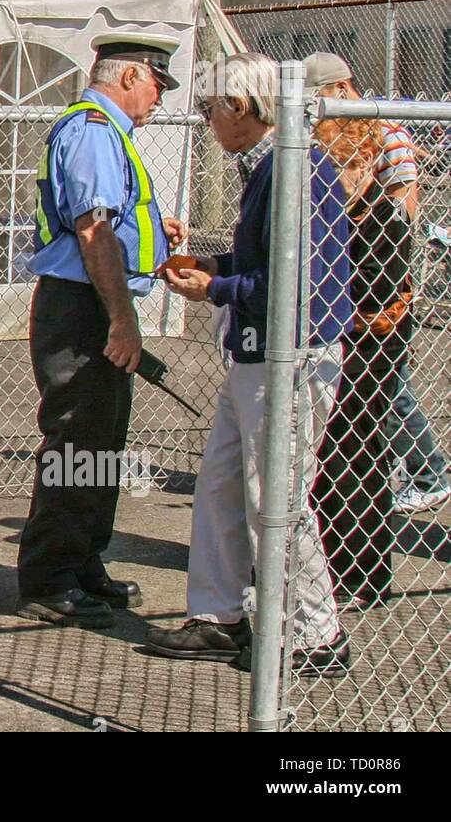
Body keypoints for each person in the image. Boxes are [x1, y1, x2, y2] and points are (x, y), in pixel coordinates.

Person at [145, 53, 354, 676]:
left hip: (289, 356)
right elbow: (266, 261)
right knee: (224, 484)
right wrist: (217, 270)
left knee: (275, 497)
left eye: (210, 109)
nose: (207, 121)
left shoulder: (295, 168)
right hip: (262, 354)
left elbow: (296, 281)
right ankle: (219, 615)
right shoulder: (273, 165)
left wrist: (215, 288)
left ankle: (317, 632)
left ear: (241, 105)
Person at [17, 33, 189, 629]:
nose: (160, 99)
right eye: (157, 85)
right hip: (83, 309)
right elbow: (93, 234)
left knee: (101, 446)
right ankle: (50, 579)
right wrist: (122, 320)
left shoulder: (105, 130)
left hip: (90, 304)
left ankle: (83, 562)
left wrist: (155, 231)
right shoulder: (93, 129)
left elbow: (107, 219)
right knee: (77, 445)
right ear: (131, 76)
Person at [304, 52, 449, 515]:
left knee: (386, 381)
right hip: (359, 266)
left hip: (380, 268)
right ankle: (406, 469)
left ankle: (429, 472)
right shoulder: (345, 128)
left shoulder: (382, 130)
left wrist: (385, 262)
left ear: (341, 89)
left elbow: (404, 201)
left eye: (319, 96)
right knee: (371, 380)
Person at [313, 118, 415, 611]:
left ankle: (363, 573)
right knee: (332, 455)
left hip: (369, 352)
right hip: (340, 341)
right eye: (335, 166)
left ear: (372, 164)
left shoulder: (380, 215)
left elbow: (381, 302)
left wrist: (324, 308)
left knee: (358, 454)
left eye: (351, 166)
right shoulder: (337, 211)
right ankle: (333, 565)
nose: (343, 177)